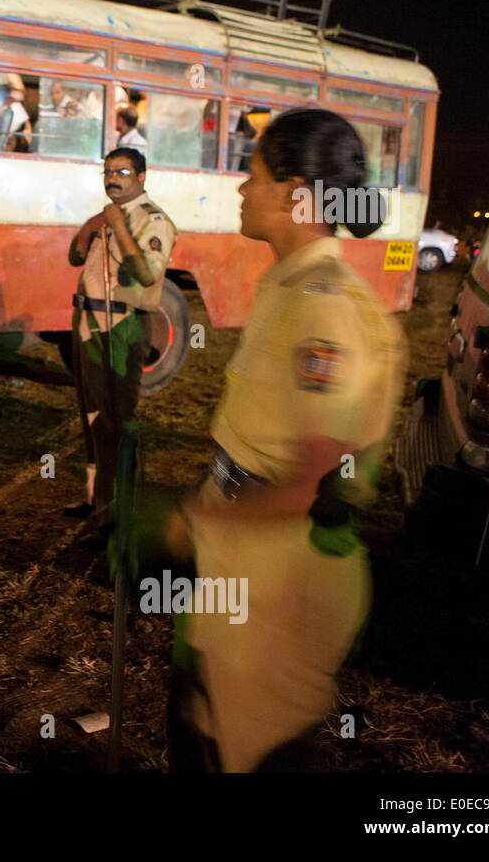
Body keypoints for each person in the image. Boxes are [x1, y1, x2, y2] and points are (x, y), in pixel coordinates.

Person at [163, 109, 406, 772]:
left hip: (281, 584)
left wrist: (194, 516)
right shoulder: (289, 285)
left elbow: (308, 483)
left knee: (255, 754)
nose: (242, 188)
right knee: (202, 733)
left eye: (255, 173)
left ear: (298, 193)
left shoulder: (324, 305)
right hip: (244, 565)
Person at [64, 147, 177, 547]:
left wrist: (118, 225)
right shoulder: (107, 216)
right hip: (87, 325)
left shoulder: (153, 221)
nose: (114, 179)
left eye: (123, 172)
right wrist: (92, 226)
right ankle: (97, 499)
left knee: (117, 420)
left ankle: (122, 509)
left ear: (142, 176)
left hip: (123, 328)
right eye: (108, 172)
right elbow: (74, 257)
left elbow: (146, 275)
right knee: (91, 415)